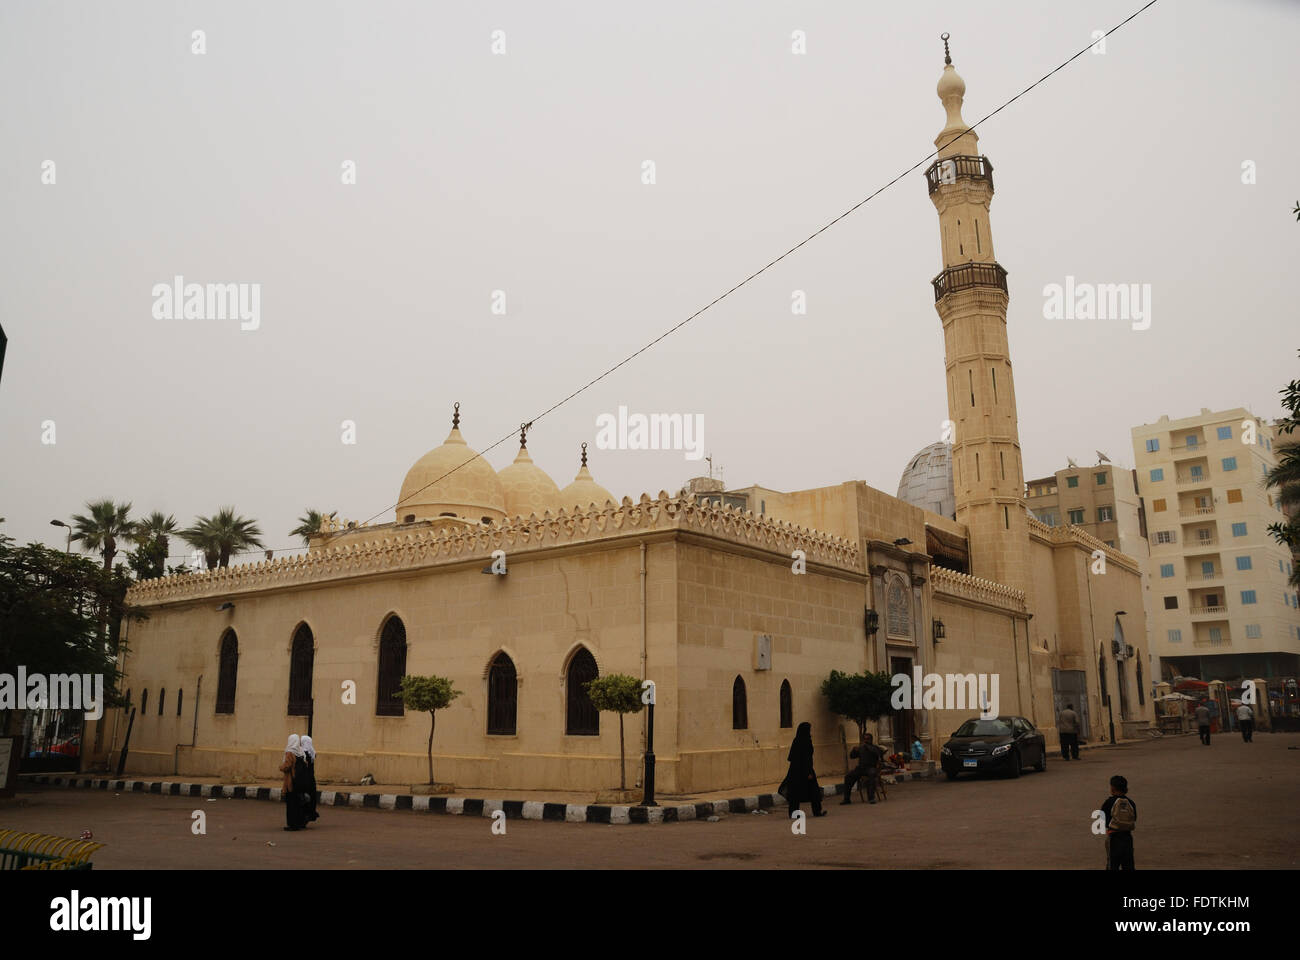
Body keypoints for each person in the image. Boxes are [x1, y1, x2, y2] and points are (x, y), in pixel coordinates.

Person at [778, 722, 826, 818]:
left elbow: (792, 757)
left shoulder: (797, 740)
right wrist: (808, 772)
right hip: (806, 770)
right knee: (813, 791)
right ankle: (817, 811)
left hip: (795, 771)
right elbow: (807, 758)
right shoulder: (806, 741)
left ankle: (793, 813)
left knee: (795, 793)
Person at [1100, 774, 1136, 870]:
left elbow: (1102, 818)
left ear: (1112, 788)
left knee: (1112, 864)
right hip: (1127, 838)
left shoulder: (1109, 802)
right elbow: (1134, 818)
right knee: (1128, 865)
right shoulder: (1131, 802)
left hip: (1114, 838)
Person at [841, 733, 885, 804]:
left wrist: (867, 747)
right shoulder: (861, 748)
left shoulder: (875, 748)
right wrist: (854, 751)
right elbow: (852, 756)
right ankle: (846, 799)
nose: (866, 741)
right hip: (861, 768)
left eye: (867, 739)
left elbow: (879, 754)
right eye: (865, 739)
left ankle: (871, 797)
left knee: (872, 775)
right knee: (848, 777)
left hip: (871, 767)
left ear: (871, 740)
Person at [280, 734, 307, 831]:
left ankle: (292, 824)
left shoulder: (290, 753)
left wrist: (281, 767)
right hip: (298, 782)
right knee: (297, 803)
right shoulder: (301, 752)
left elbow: (286, 766)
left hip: (290, 782)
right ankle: (298, 823)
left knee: (291, 804)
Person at [300, 734, 320, 824]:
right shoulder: (312, 753)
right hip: (311, 779)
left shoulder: (303, 754)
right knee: (311, 798)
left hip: (305, 779)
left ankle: (304, 817)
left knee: (304, 799)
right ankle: (310, 814)